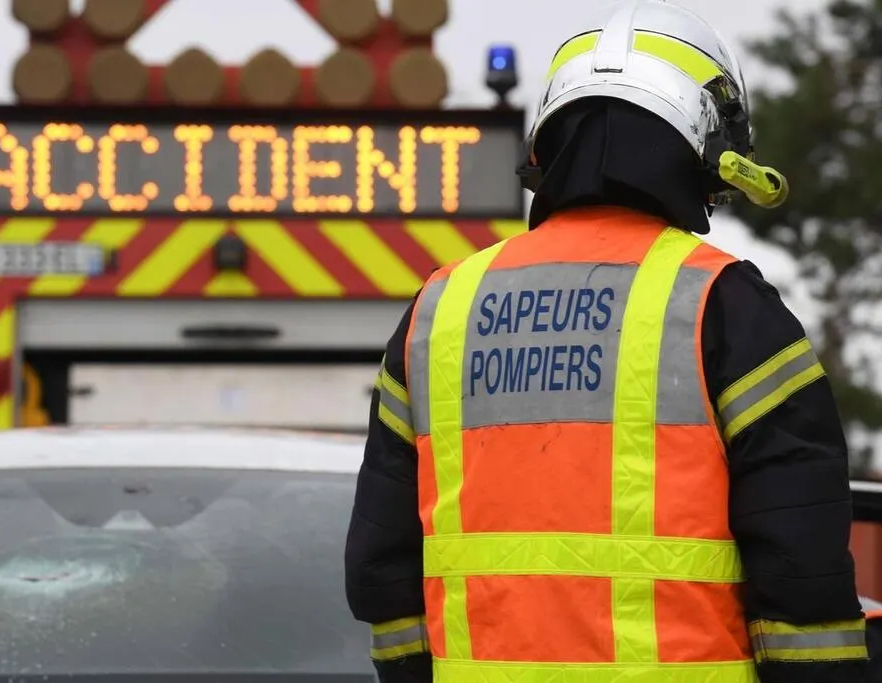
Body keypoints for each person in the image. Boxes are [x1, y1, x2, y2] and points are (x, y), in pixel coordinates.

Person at [343, 2, 868, 683]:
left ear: (549, 141)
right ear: (707, 139)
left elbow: (382, 569)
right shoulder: (727, 306)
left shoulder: (439, 308)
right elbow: (802, 567)